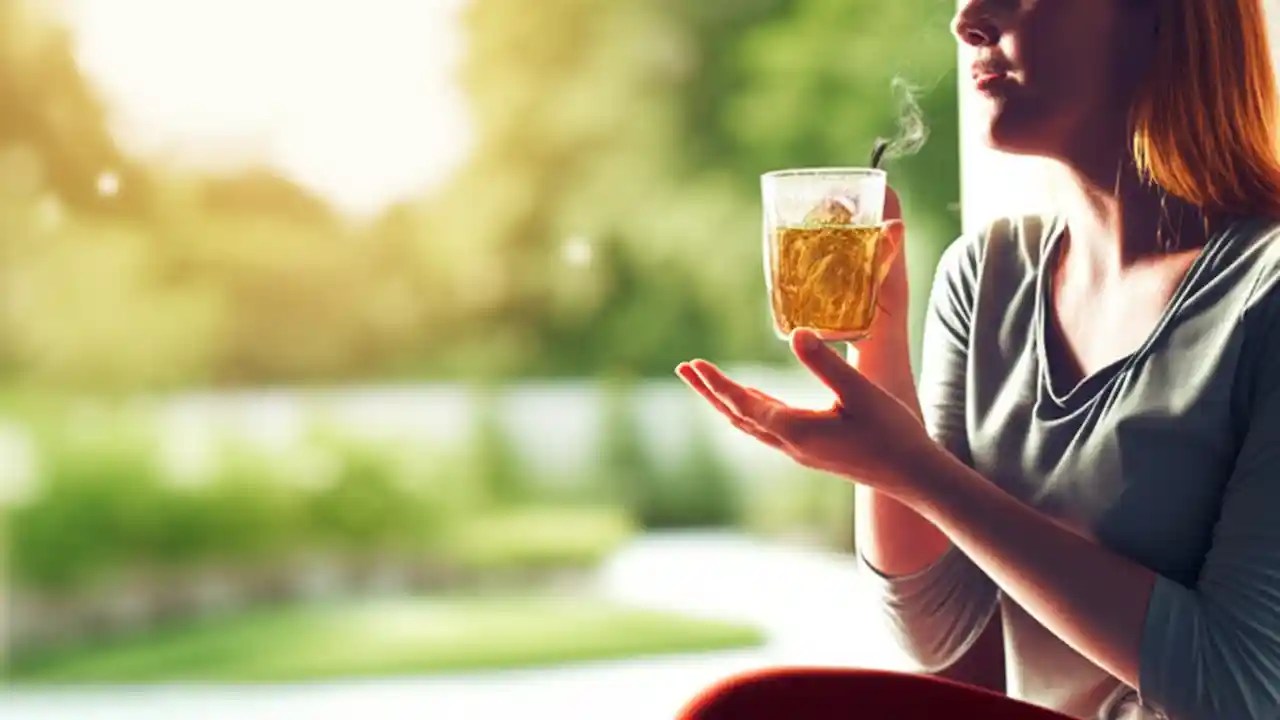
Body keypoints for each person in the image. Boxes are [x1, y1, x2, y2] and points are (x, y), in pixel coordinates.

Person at [675, 0, 1280, 718]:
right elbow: (938, 633)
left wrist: (916, 471)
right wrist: (878, 344)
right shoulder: (987, 274)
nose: (967, 19)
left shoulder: (1264, 292)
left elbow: (1241, 690)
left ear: (1159, 15)